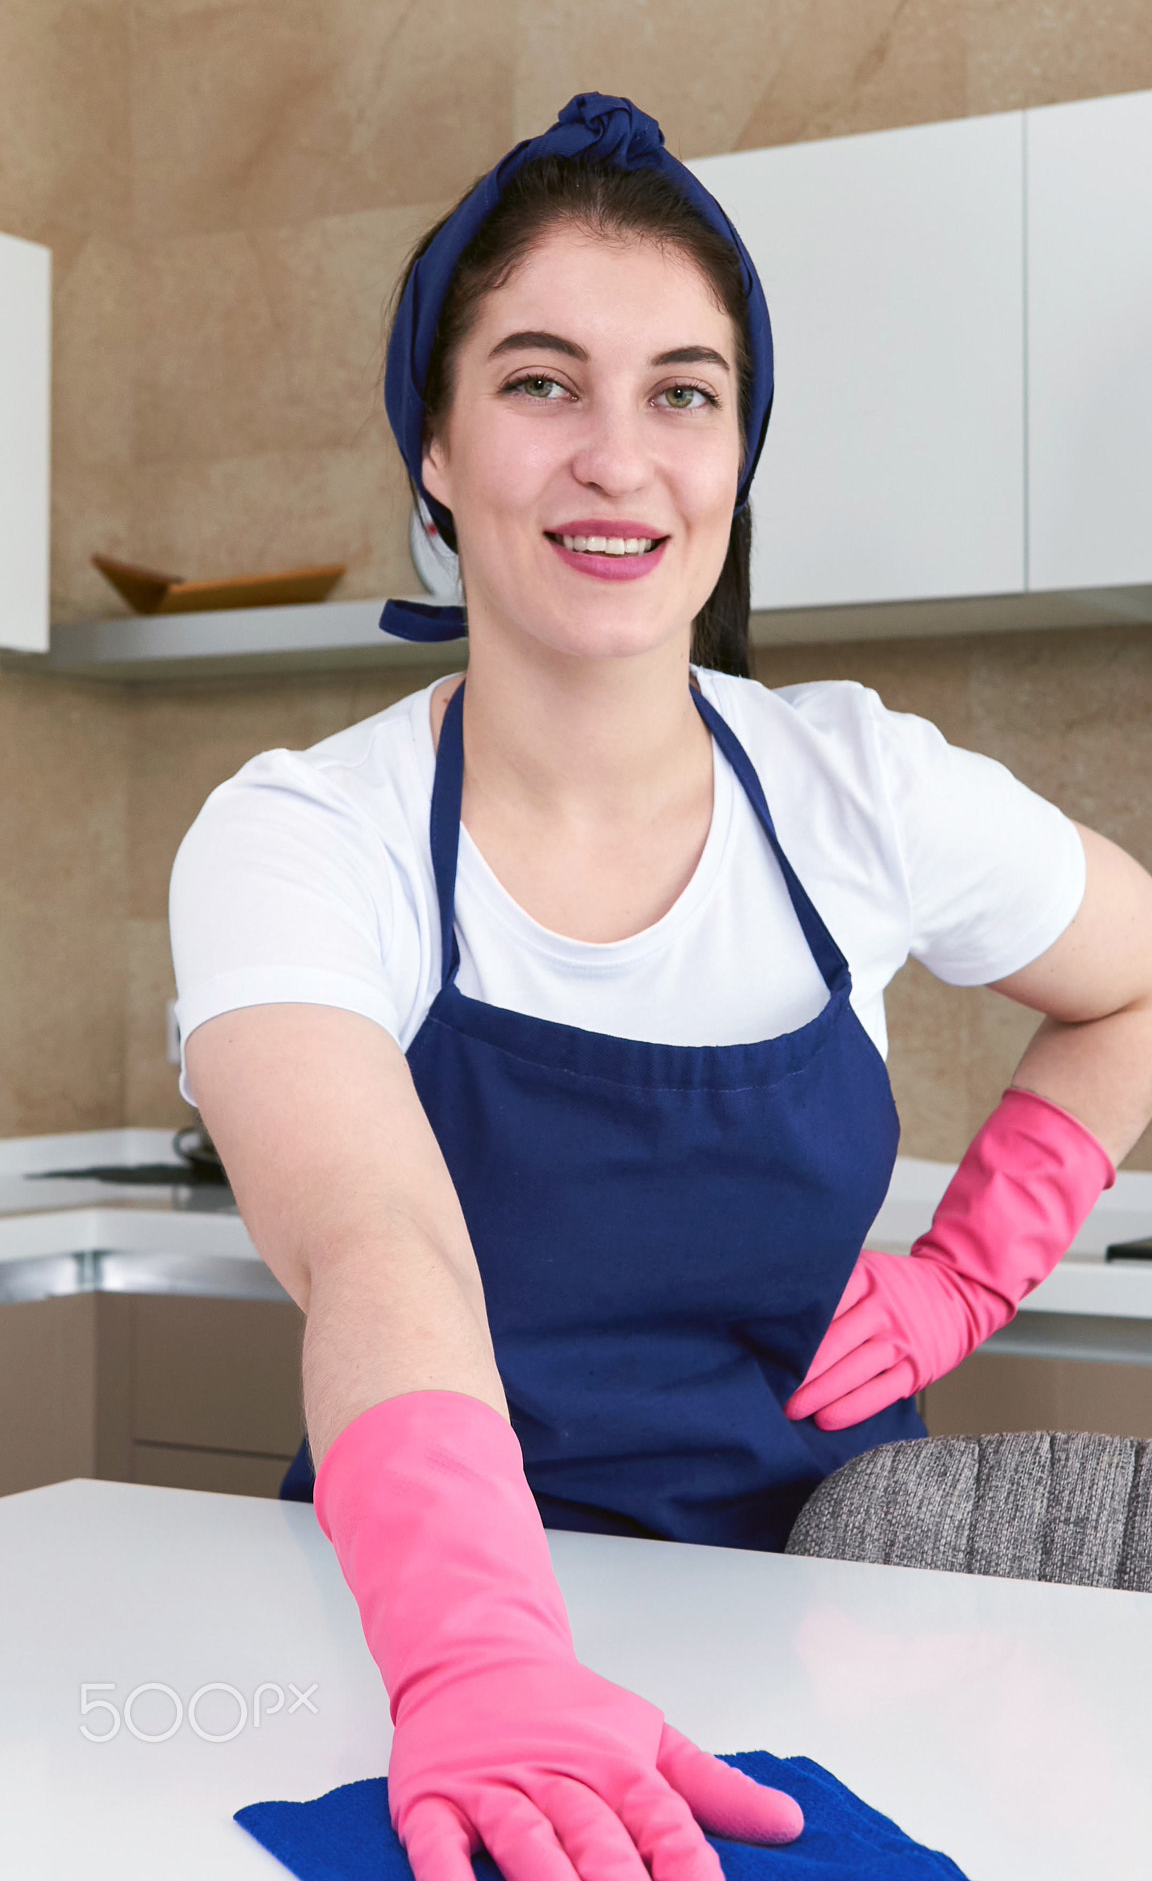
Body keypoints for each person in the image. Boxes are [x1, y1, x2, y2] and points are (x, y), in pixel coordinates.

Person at [171, 95, 1152, 1881]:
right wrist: (480, 1659)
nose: (619, 457)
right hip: (418, 1644)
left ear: (737, 456)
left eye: (684, 393)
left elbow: (1137, 980)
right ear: (437, 453)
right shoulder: (308, 834)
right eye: (542, 384)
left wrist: (965, 1277)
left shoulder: (864, 789)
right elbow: (382, 1240)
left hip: (825, 1628)